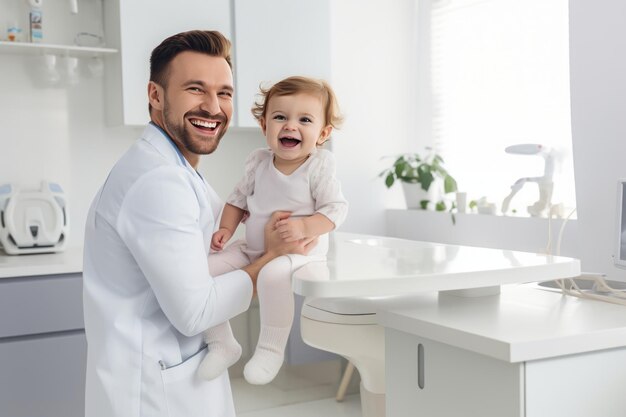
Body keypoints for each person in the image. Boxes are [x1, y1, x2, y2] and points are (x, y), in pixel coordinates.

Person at [82, 31, 314, 417]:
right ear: (155, 95)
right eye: (195, 89)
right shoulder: (157, 181)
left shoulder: (175, 168)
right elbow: (195, 311)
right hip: (154, 394)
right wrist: (273, 258)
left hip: (172, 379)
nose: (213, 107)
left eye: (224, 93)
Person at [196, 76, 348, 385]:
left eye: (304, 119)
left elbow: (335, 209)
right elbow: (237, 200)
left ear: (323, 133)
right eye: (280, 117)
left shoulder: (319, 166)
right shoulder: (258, 162)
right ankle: (221, 343)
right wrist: (226, 228)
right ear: (264, 125)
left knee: (271, 275)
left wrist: (305, 226)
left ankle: (270, 348)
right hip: (252, 247)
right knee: (202, 271)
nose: (291, 126)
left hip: (301, 251)